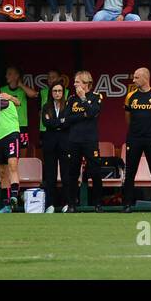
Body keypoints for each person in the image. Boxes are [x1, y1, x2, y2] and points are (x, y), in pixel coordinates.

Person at [123, 67, 151, 212]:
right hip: (134, 139)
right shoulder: (130, 96)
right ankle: (127, 204)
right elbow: (128, 118)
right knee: (130, 172)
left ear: (145, 78)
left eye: (136, 77)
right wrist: (138, 130)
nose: (134, 80)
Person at [61, 71, 104, 212]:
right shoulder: (71, 99)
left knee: (95, 171)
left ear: (86, 84)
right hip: (74, 141)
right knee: (72, 172)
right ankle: (72, 204)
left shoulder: (96, 97)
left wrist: (84, 99)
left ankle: (98, 204)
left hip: (90, 140)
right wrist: (84, 115)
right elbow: (66, 119)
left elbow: (93, 113)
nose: (74, 84)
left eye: (77, 82)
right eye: (74, 82)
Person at [39, 80, 70, 211]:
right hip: (50, 144)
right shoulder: (46, 106)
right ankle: (50, 204)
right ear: (51, 93)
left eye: (59, 91)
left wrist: (56, 123)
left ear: (63, 93)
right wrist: (59, 123)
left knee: (66, 174)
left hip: (65, 143)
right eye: (54, 91)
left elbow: (68, 122)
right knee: (50, 175)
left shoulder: (68, 105)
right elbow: (46, 123)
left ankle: (66, 204)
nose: (57, 93)